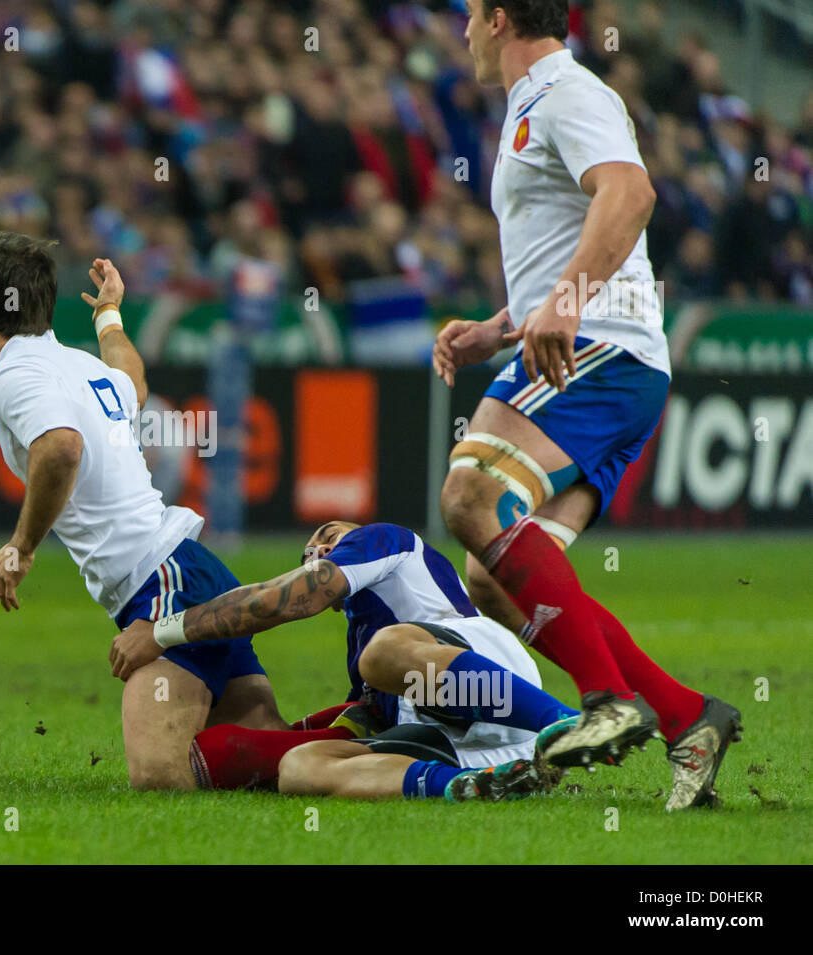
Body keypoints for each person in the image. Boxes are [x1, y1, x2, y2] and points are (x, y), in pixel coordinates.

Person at [431, 0, 739, 811]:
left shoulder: (569, 92)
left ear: (498, 19)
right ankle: (689, 716)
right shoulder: (533, 108)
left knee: (468, 495)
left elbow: (631, 194)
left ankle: (607, 699)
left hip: (599, 350)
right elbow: (569, 239)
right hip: (596, 350)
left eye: (468, 13)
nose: (461, 29)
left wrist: (565, 302)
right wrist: (499, 328)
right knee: (497, 576)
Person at [0, 231, 286, 790]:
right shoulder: (78, 365)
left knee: (159, 775)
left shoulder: (14, 376)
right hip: (190, 568)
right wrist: (109, 313)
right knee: (273, 754)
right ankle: (388, 750)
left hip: (160, 586)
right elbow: (134, 385)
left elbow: (61, 448)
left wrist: (21, 548)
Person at [111, 520, 579, 802]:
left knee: (384, 656)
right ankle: (472, 786)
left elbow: (281, 600)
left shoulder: (387, 542)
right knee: (300, 769)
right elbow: (364, 717)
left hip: (487, 678)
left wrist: (162, 630)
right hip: (469, 741)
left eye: (327, 537)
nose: (318, 550)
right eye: (311, 551)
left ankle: (570, 725)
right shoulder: (361, 641)